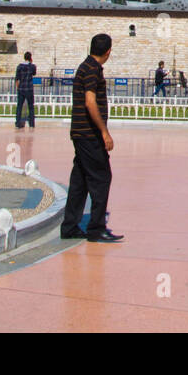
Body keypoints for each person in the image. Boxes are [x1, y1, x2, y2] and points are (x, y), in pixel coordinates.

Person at [60, 34, 123, 242]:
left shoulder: (85, 66)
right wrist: (104, 132)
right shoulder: (93, 69)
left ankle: (69, 226)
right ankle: (96, 228)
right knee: (101, 177)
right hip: (89, 135)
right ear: (108, 52)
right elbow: (90, 101)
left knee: (80, 181)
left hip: (80, 133)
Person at [15, 51, 37, 128]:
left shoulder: (19, 66)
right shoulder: (32, 66)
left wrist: (17, 88)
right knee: (31, 107)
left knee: (19, 106)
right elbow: (34, 73)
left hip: (21, 88)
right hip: (29, 88)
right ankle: (31, 124)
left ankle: (17, 123)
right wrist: (31, 63)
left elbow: (17, 78)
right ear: (30, 58)